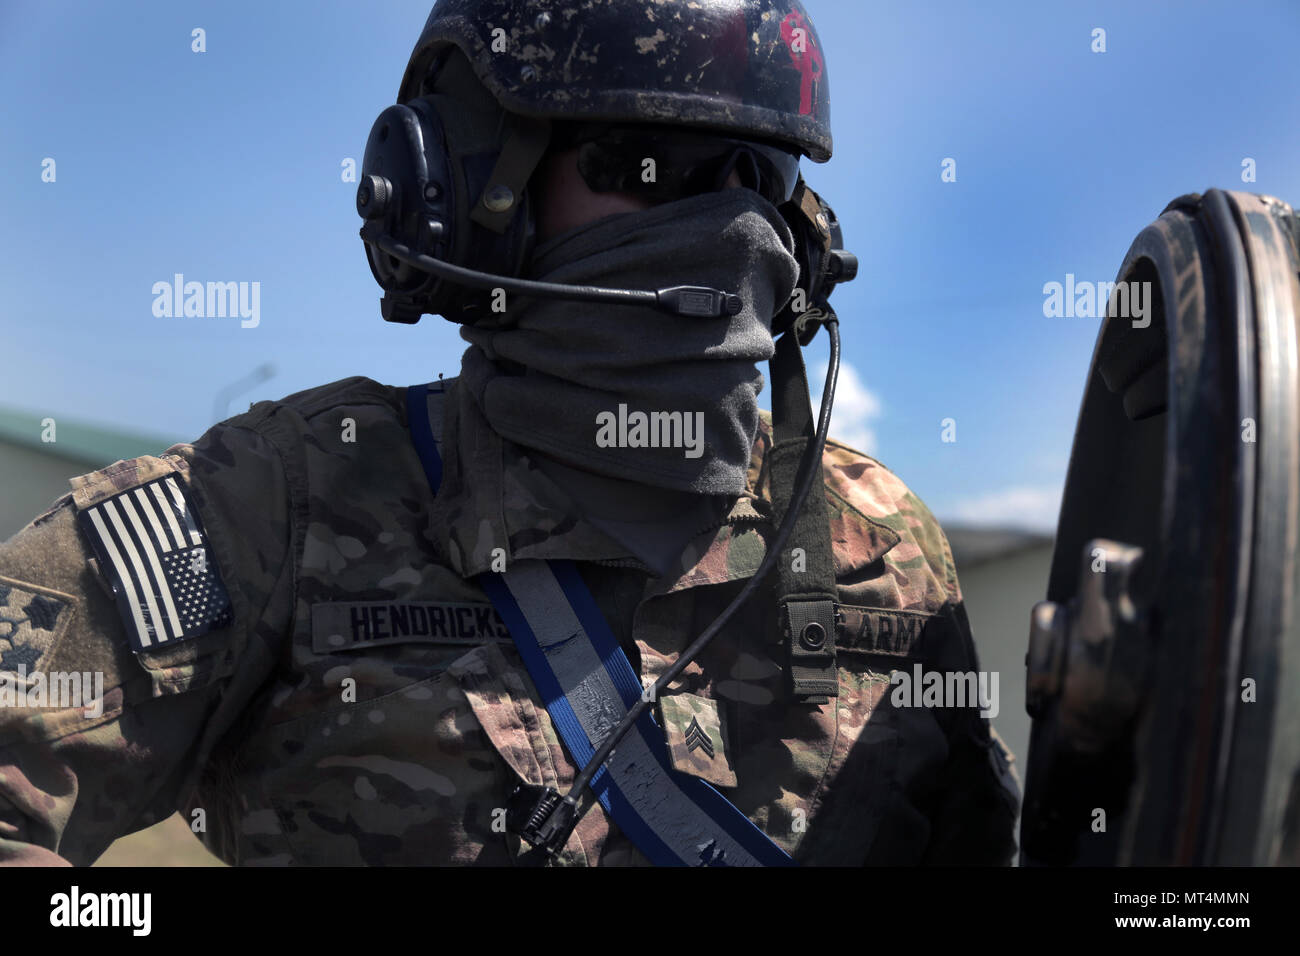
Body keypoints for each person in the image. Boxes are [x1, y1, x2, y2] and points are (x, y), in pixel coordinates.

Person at [0, 0, 1019, 866]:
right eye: (650, 162)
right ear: (464, 193)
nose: (731, 226)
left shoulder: (887, 546)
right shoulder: (278, 503)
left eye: (758, 177)